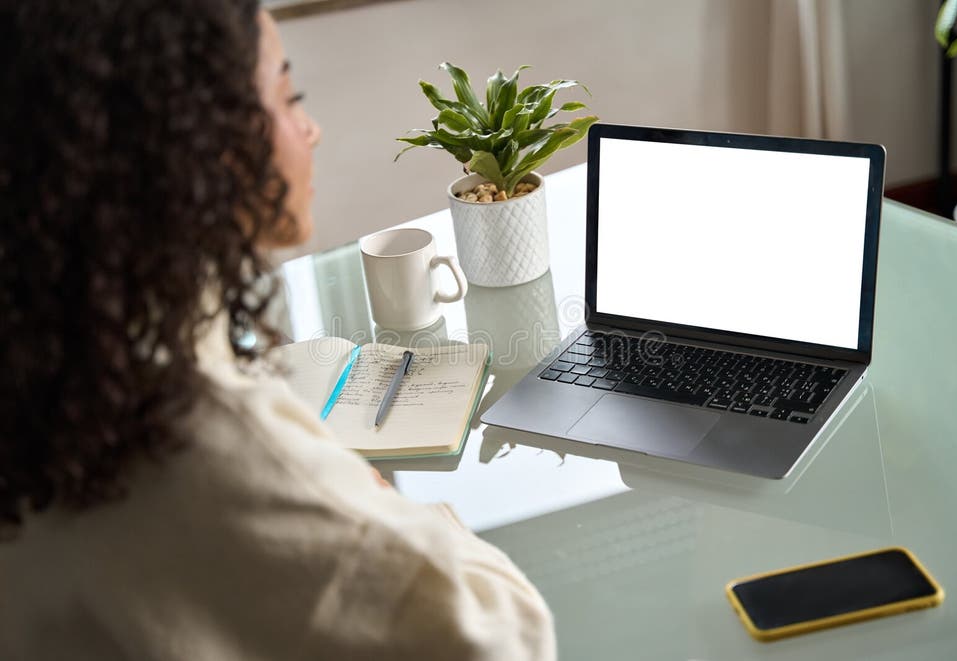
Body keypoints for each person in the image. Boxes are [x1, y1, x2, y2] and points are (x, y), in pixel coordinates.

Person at [0, 1, 555, 659]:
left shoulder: (52, 362)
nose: (311, 130)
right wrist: (395, 508)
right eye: (291, 99)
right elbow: (507, 639)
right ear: (196, 144)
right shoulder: (203, 436)